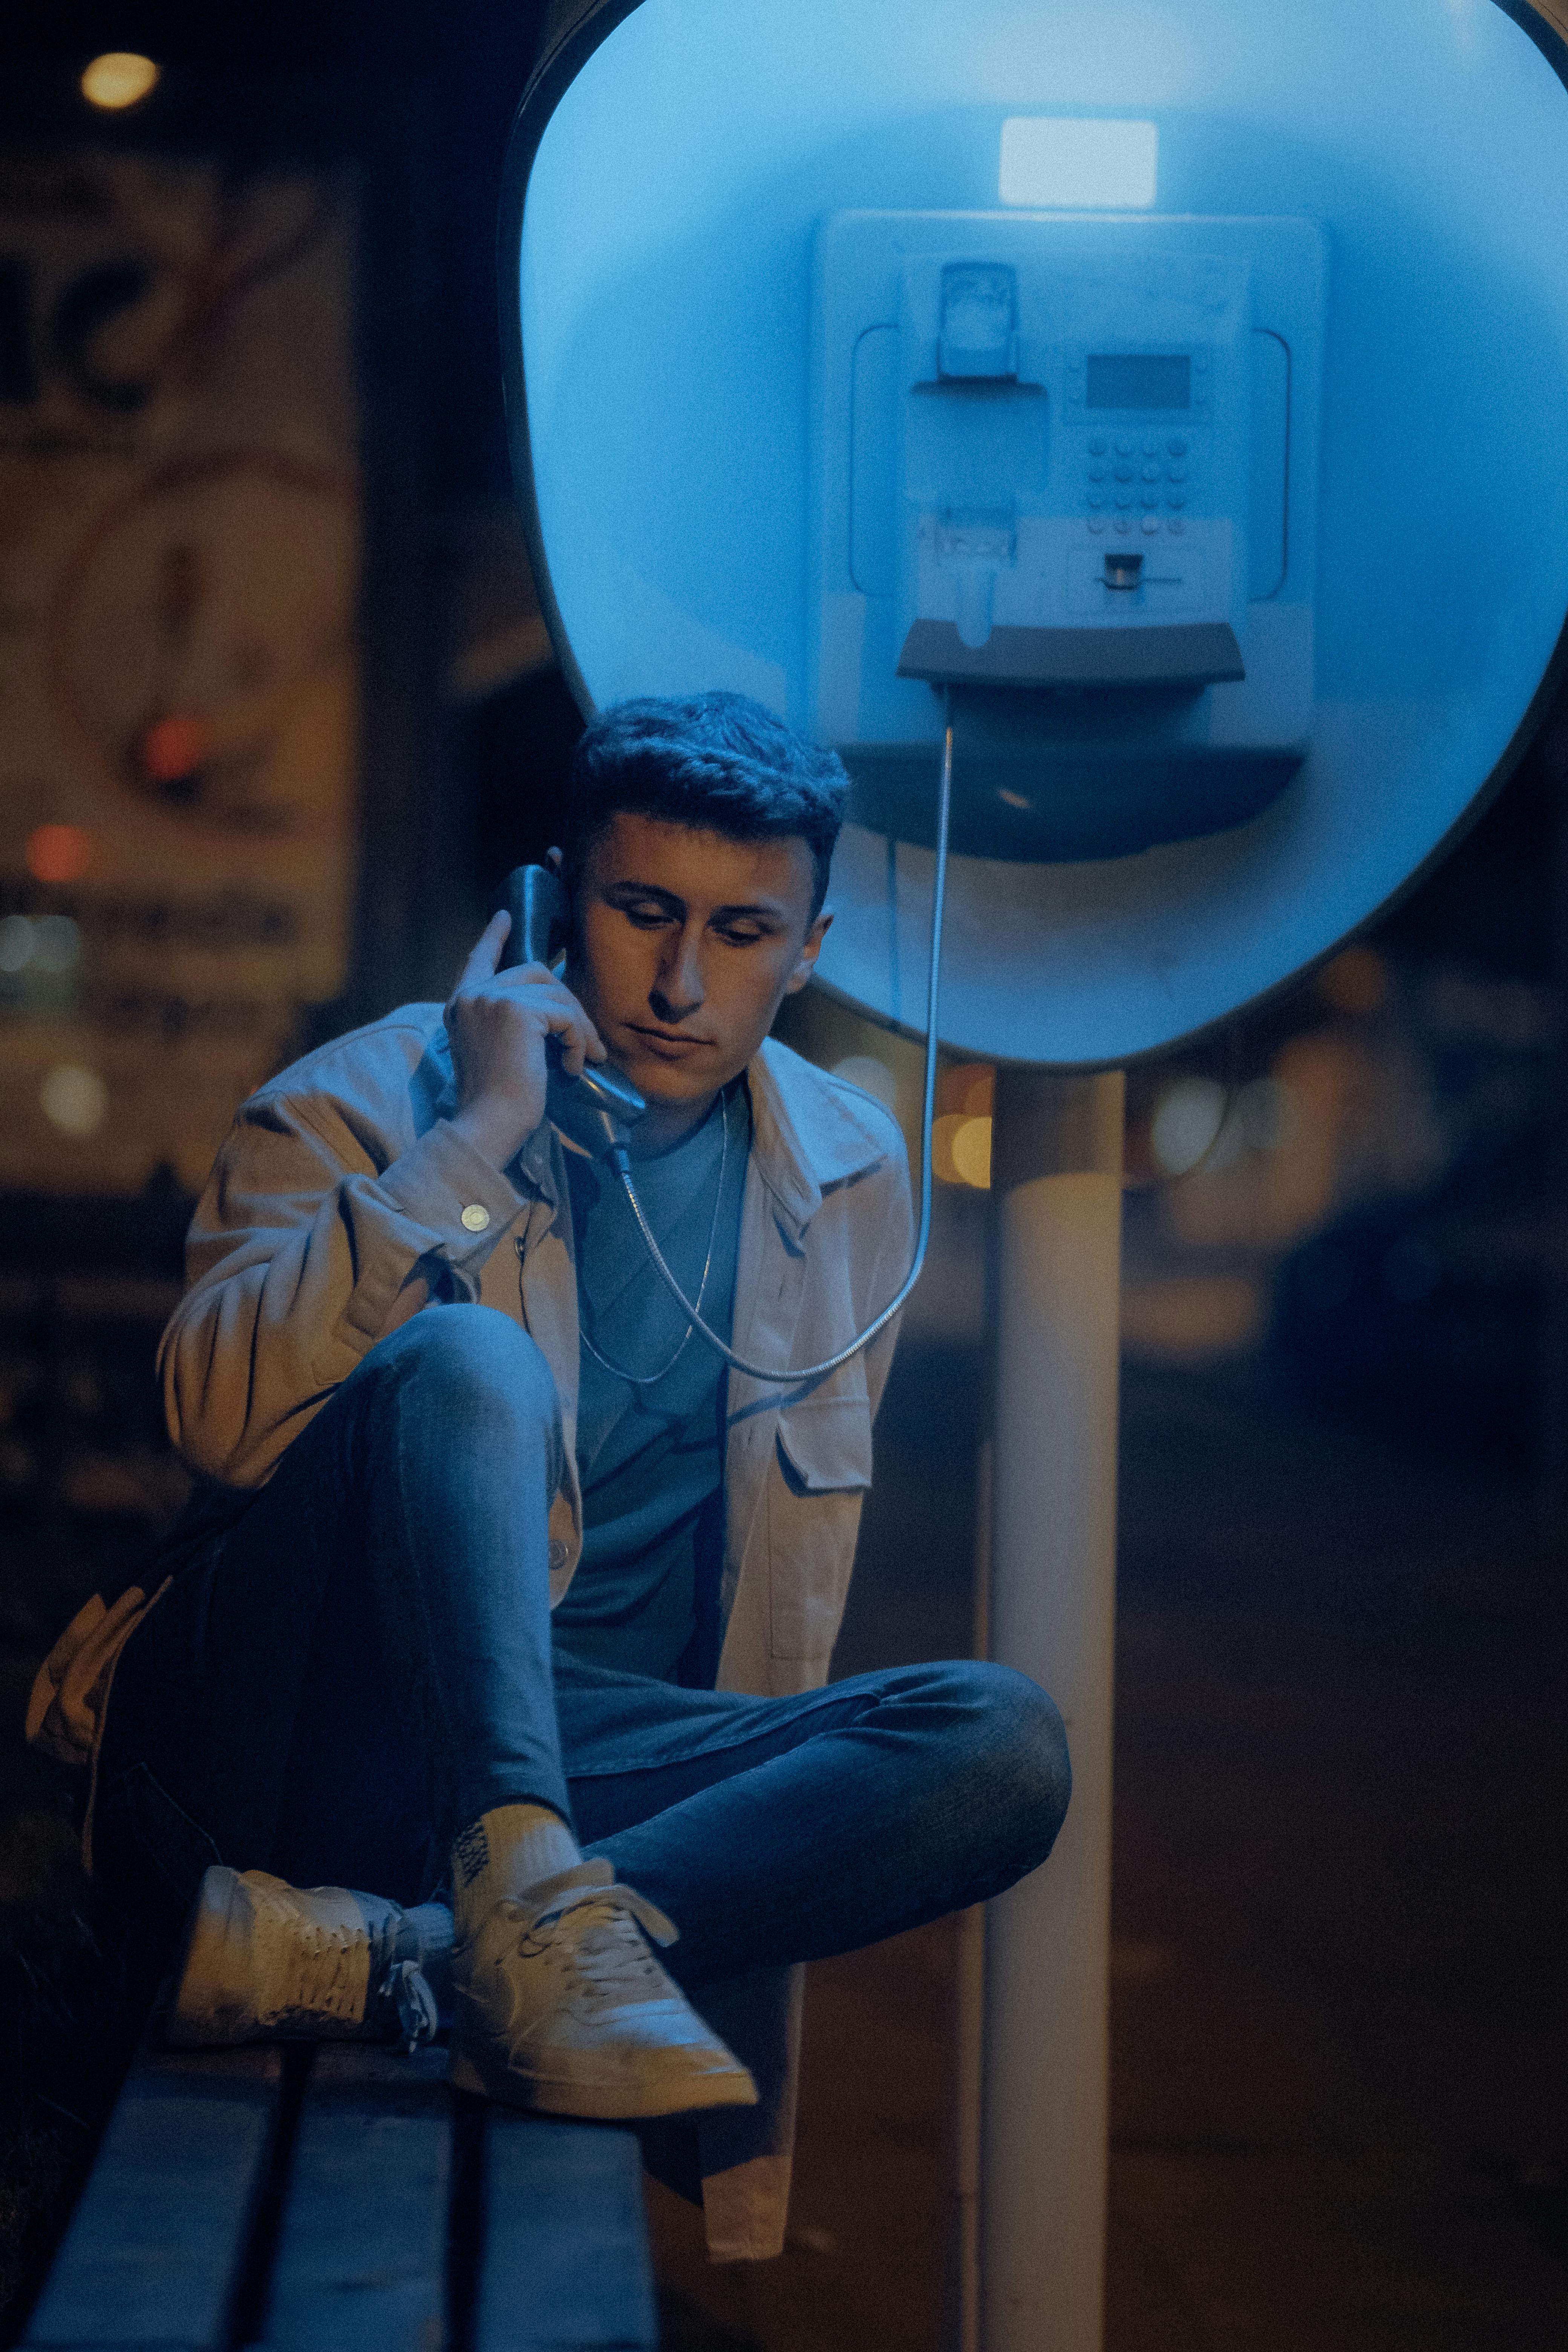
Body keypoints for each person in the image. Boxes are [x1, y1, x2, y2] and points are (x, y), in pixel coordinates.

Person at [28, 690, 1069, 2259]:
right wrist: (477, 1148)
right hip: (306, 1728)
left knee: (1002, 1742)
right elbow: (219, 1423)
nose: (675, 981)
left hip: (592, 1766)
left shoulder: (851, 1173)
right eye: (640, 911)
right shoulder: (364, 1102)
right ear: (553, 897)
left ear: (808, 947)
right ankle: (509, 1895)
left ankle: (424, 1959)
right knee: (471, 1364)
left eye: (738, 933)